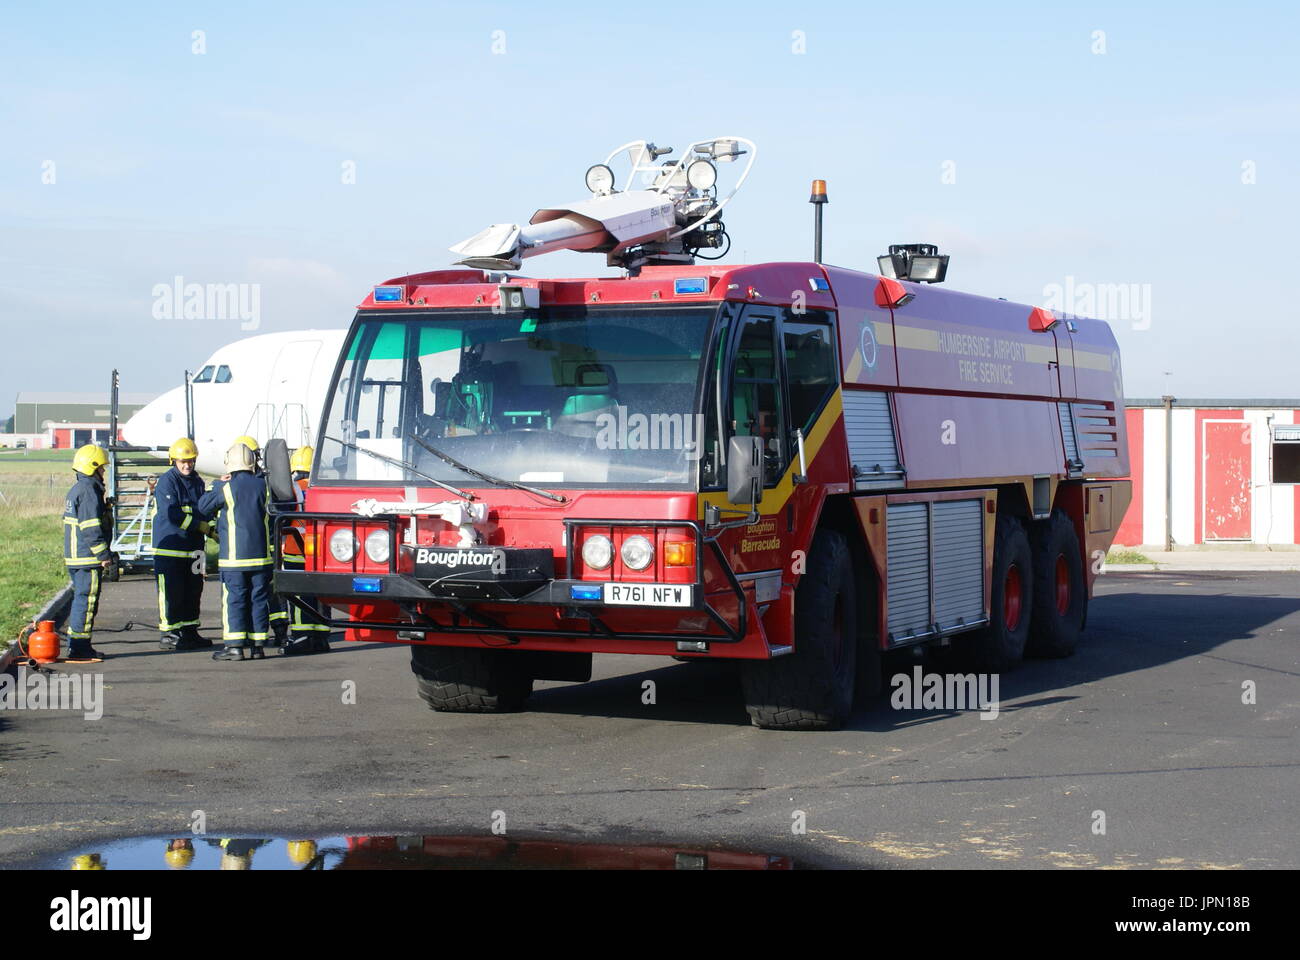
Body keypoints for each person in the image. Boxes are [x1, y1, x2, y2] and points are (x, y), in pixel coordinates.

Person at [197, 442, 273, 661]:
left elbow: (203, 508)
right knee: (259, 600)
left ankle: (234, 647)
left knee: (235, 600)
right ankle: (258, 646)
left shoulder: (226, 487)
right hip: (261, 557)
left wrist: (216, 485)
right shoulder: (263, 486)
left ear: (228, 464)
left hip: (234, 558)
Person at [152, 438, 212, 651]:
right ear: (173, 461)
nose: (187, 465)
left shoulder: (197, 481)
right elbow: (174, 515)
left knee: (194, 591)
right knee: (171, 592)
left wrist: (210, 527)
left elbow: (203, 509)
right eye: (182, 461)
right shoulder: (167, 482)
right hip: (171, 550)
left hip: (195, 550)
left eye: (190, 461)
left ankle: (190, 631)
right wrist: (201, 527)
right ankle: (169, 634)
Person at [236, 434, 289, 647]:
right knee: (265, 593)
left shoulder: (256, 483)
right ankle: (270, 633)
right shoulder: (264, 481)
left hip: (262, 546)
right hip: (264, 546)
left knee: (270, 593)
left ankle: (276, 632)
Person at [62, 444, 112, 663]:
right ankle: (80, 648)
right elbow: (91, 528)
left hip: (76, 557)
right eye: (101, 468)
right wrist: (103, 555)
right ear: (92, 468)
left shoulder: (78, 489)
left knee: (81, 600)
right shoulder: (89, 490)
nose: (103, 473)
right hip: (87, 557)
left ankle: (77, 644)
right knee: (87, 601)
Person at [282, 445, 331, 655]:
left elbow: (280, 513)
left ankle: (303, 637)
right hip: (320, 551)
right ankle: (321, 636)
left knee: (300, 596)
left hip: (296, 549)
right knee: (320, 593)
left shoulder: (292, 487)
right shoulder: (323, 487)